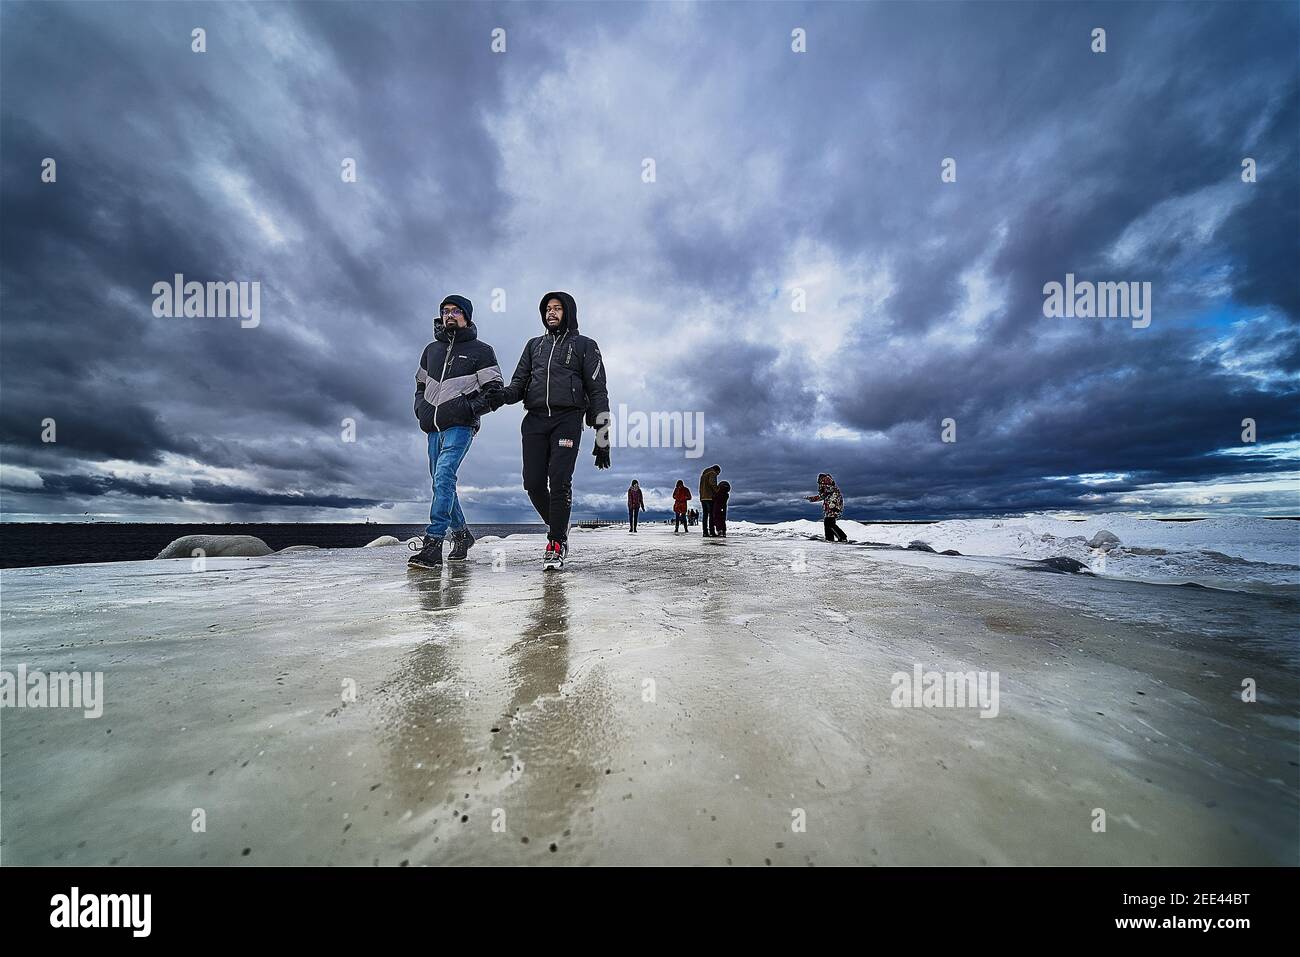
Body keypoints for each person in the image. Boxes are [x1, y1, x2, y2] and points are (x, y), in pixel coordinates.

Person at [498, 291, 610, 569]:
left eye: (557, 308)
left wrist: (602, 434)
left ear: (568, 312)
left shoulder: (585, 345)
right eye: (548, 308)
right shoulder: (533, 345)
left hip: (567, 419)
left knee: (559, 481)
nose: (551, 313)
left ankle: (556, 542)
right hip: (534, 420)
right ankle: (561, 524)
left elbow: (597, 391)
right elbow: (517, 385)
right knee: (533, 483)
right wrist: (497, 396)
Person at [408, 294, 504, 569]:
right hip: (433, 428)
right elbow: (419, 386)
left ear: (467, 316)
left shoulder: (481, 350)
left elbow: (494, 391)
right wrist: (420, 409)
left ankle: (433, 543)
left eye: (456, 311)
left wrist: (466, 409)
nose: (449, 315)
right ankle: (462, 536)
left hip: (461, 426)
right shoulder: (431, 350)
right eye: (445, 311)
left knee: (444, 477)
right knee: (441, 483)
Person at [807, 472, 848, 542]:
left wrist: (833, 505)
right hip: (831, 508)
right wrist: (811, 498)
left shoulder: (829, 487)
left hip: (833, 508)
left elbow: (827, 494)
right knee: (828, 523)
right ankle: (829, 538)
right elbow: (822, 496)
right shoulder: (829, 488)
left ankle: (842, 537)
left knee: (829, 523)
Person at [698, 464, 721, 537]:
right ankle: (712, 531)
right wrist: (718, 491)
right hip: (710, 497)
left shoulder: (703, 475)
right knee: (711, 515)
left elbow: (700, 487)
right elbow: (712, 484)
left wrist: (701, 496)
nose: (717, 475)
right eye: (718, 473)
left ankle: (705, 532)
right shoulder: (712, 473)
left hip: (703, 497)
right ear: (716, 470)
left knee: (705, 515)